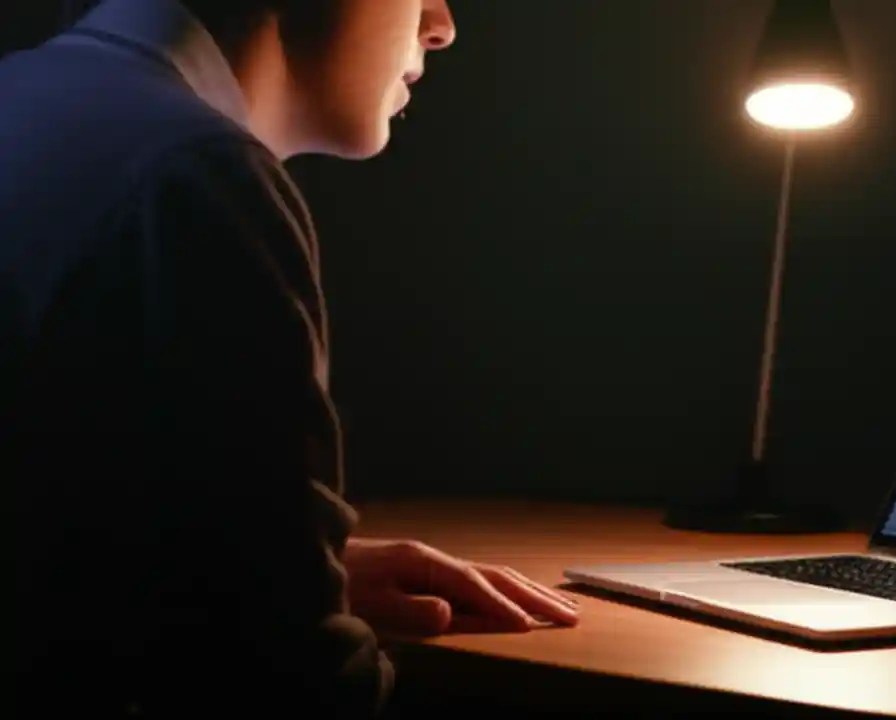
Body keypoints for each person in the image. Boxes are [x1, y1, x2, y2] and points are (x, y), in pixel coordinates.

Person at [0, 0, 579, 717]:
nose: (440, 22)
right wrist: (286, 600)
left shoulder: (28, 96)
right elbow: (296, 688)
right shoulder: (198, 176)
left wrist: (271, 565)